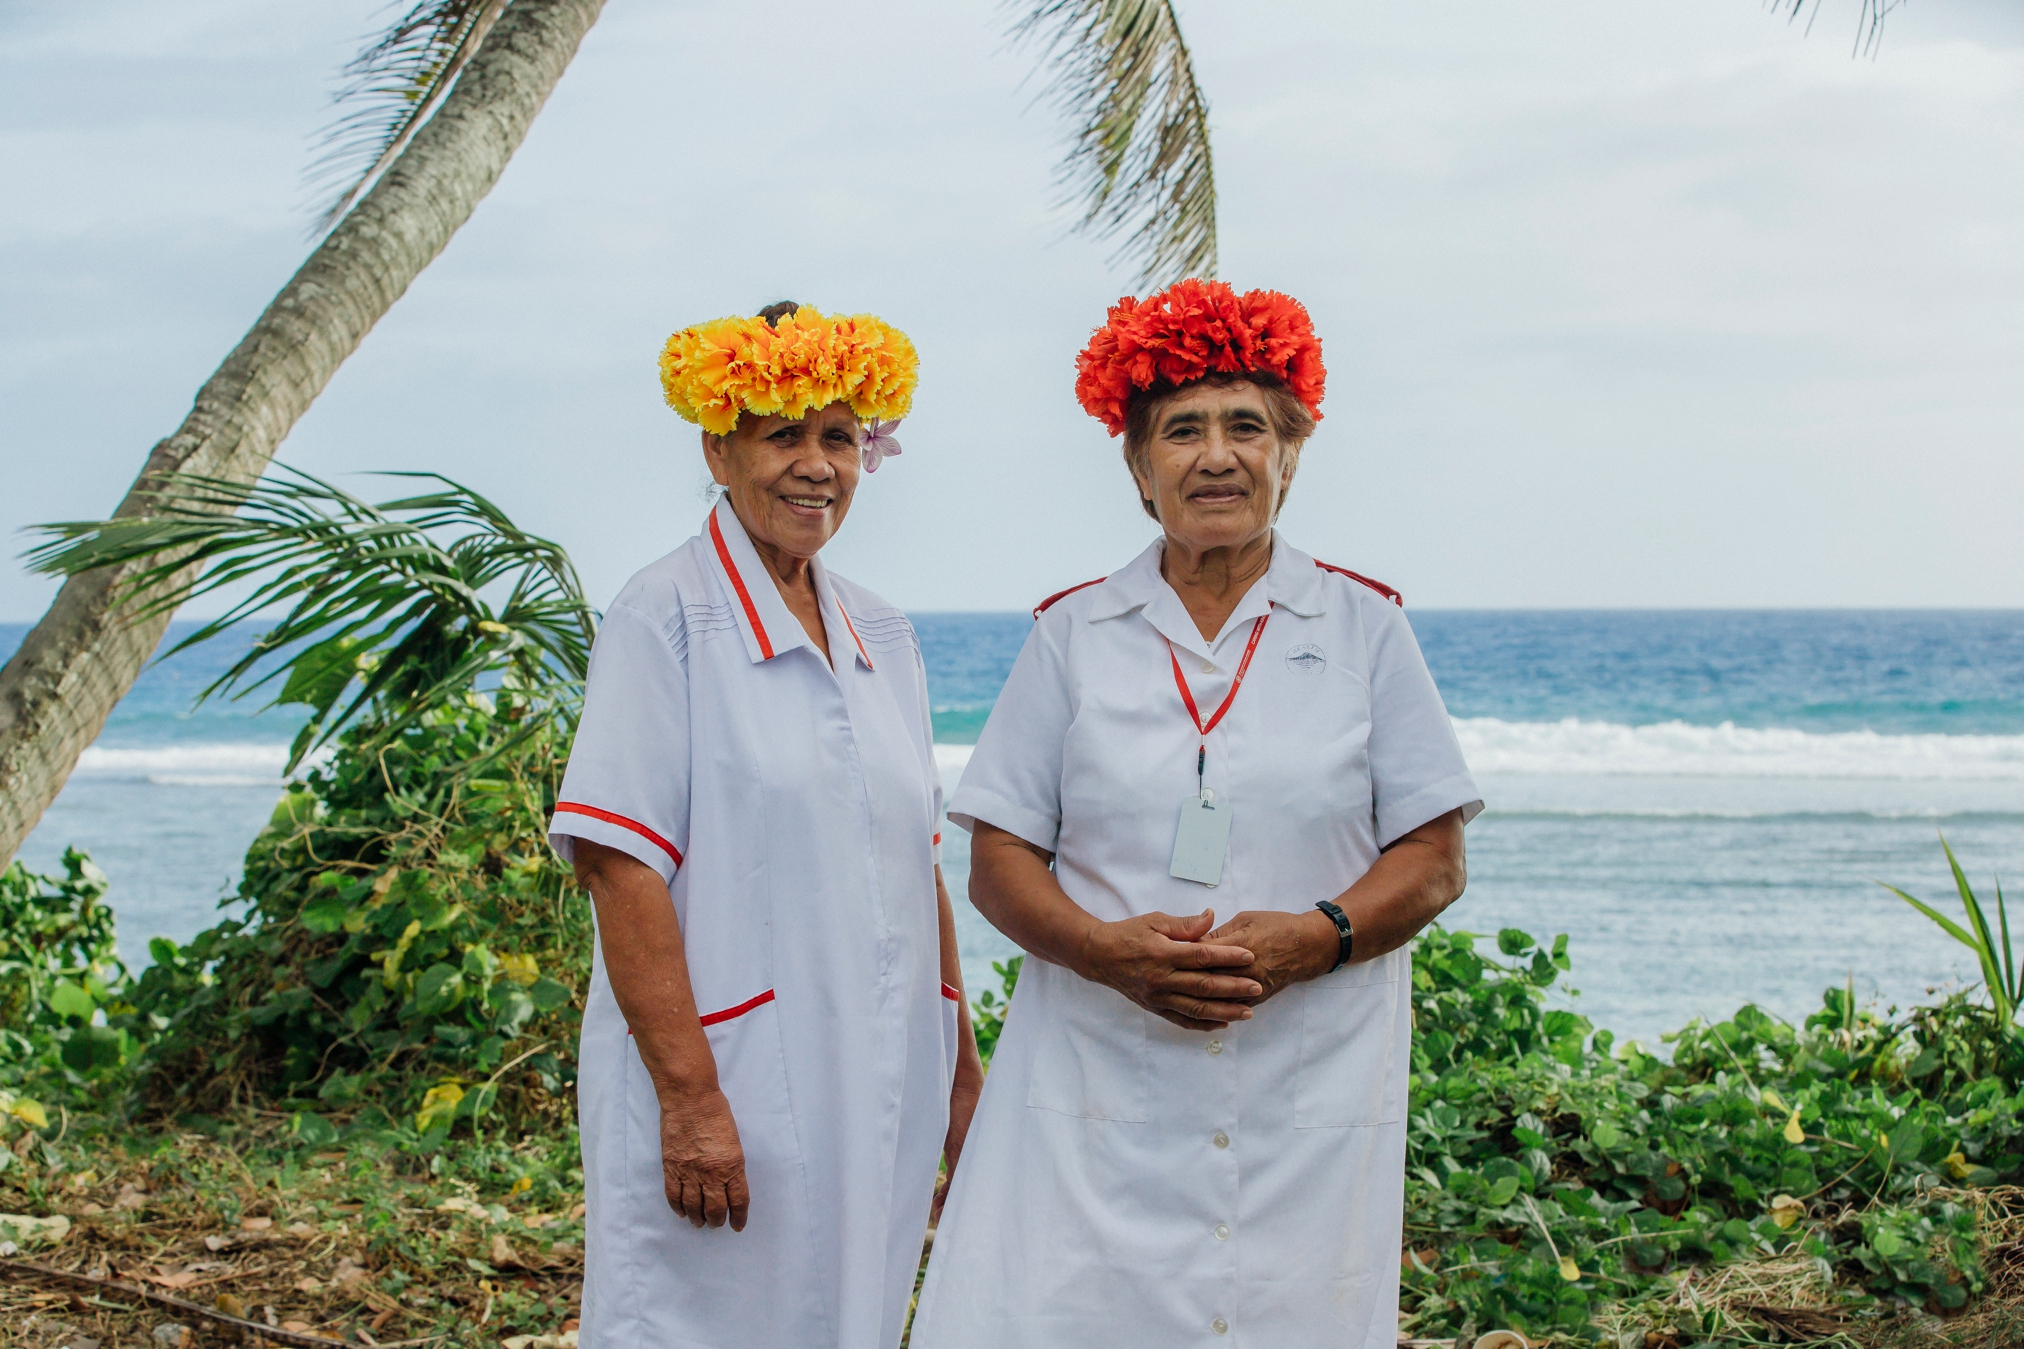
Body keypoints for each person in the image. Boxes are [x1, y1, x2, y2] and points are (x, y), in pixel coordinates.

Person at [910, 279, 1481, 1347]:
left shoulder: (1364, 628)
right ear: (1137, 468)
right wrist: (1104, 949)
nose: (1215, 454)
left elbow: (1433, 854)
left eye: (1246, 426)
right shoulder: (1073, 634)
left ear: (1289, 454)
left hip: (1306, 1080)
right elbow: (996, 857)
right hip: (1094, 1075)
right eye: (1181, 429)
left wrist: (1319, 936)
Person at [550, 302, 983, 1347]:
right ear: (718, 443)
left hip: (877, 1074)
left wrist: (960, 1076)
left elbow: (914, 864)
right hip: (729, 1077)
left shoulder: (882, 631)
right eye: (782, 432)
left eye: (838, 435)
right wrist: (691, 1099)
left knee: (854, 1317)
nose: (815, 465)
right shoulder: (663, 616)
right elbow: (619, 867)